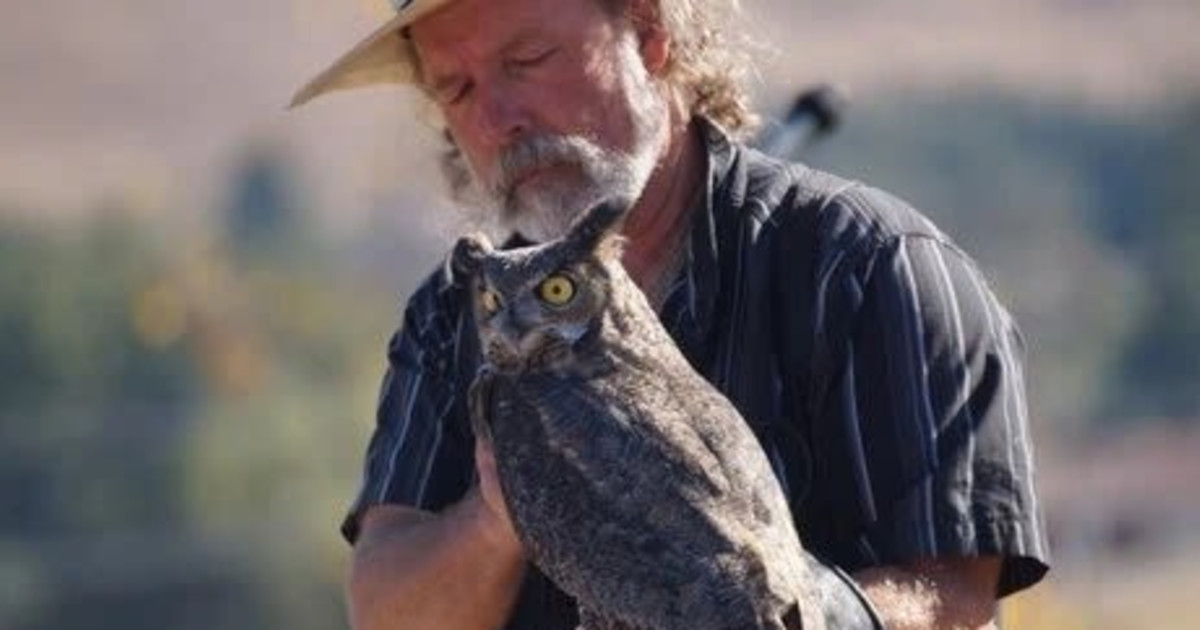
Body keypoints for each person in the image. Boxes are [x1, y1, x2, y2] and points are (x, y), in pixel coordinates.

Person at [291, 0, 1051, 628]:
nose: (497, 118)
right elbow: (389, 613)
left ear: (650, 33)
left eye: (527, 61)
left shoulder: (871, 268)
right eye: (456, 90)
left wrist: (778, 606)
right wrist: (505, 507)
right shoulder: (457, 310)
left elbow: (957, 603)